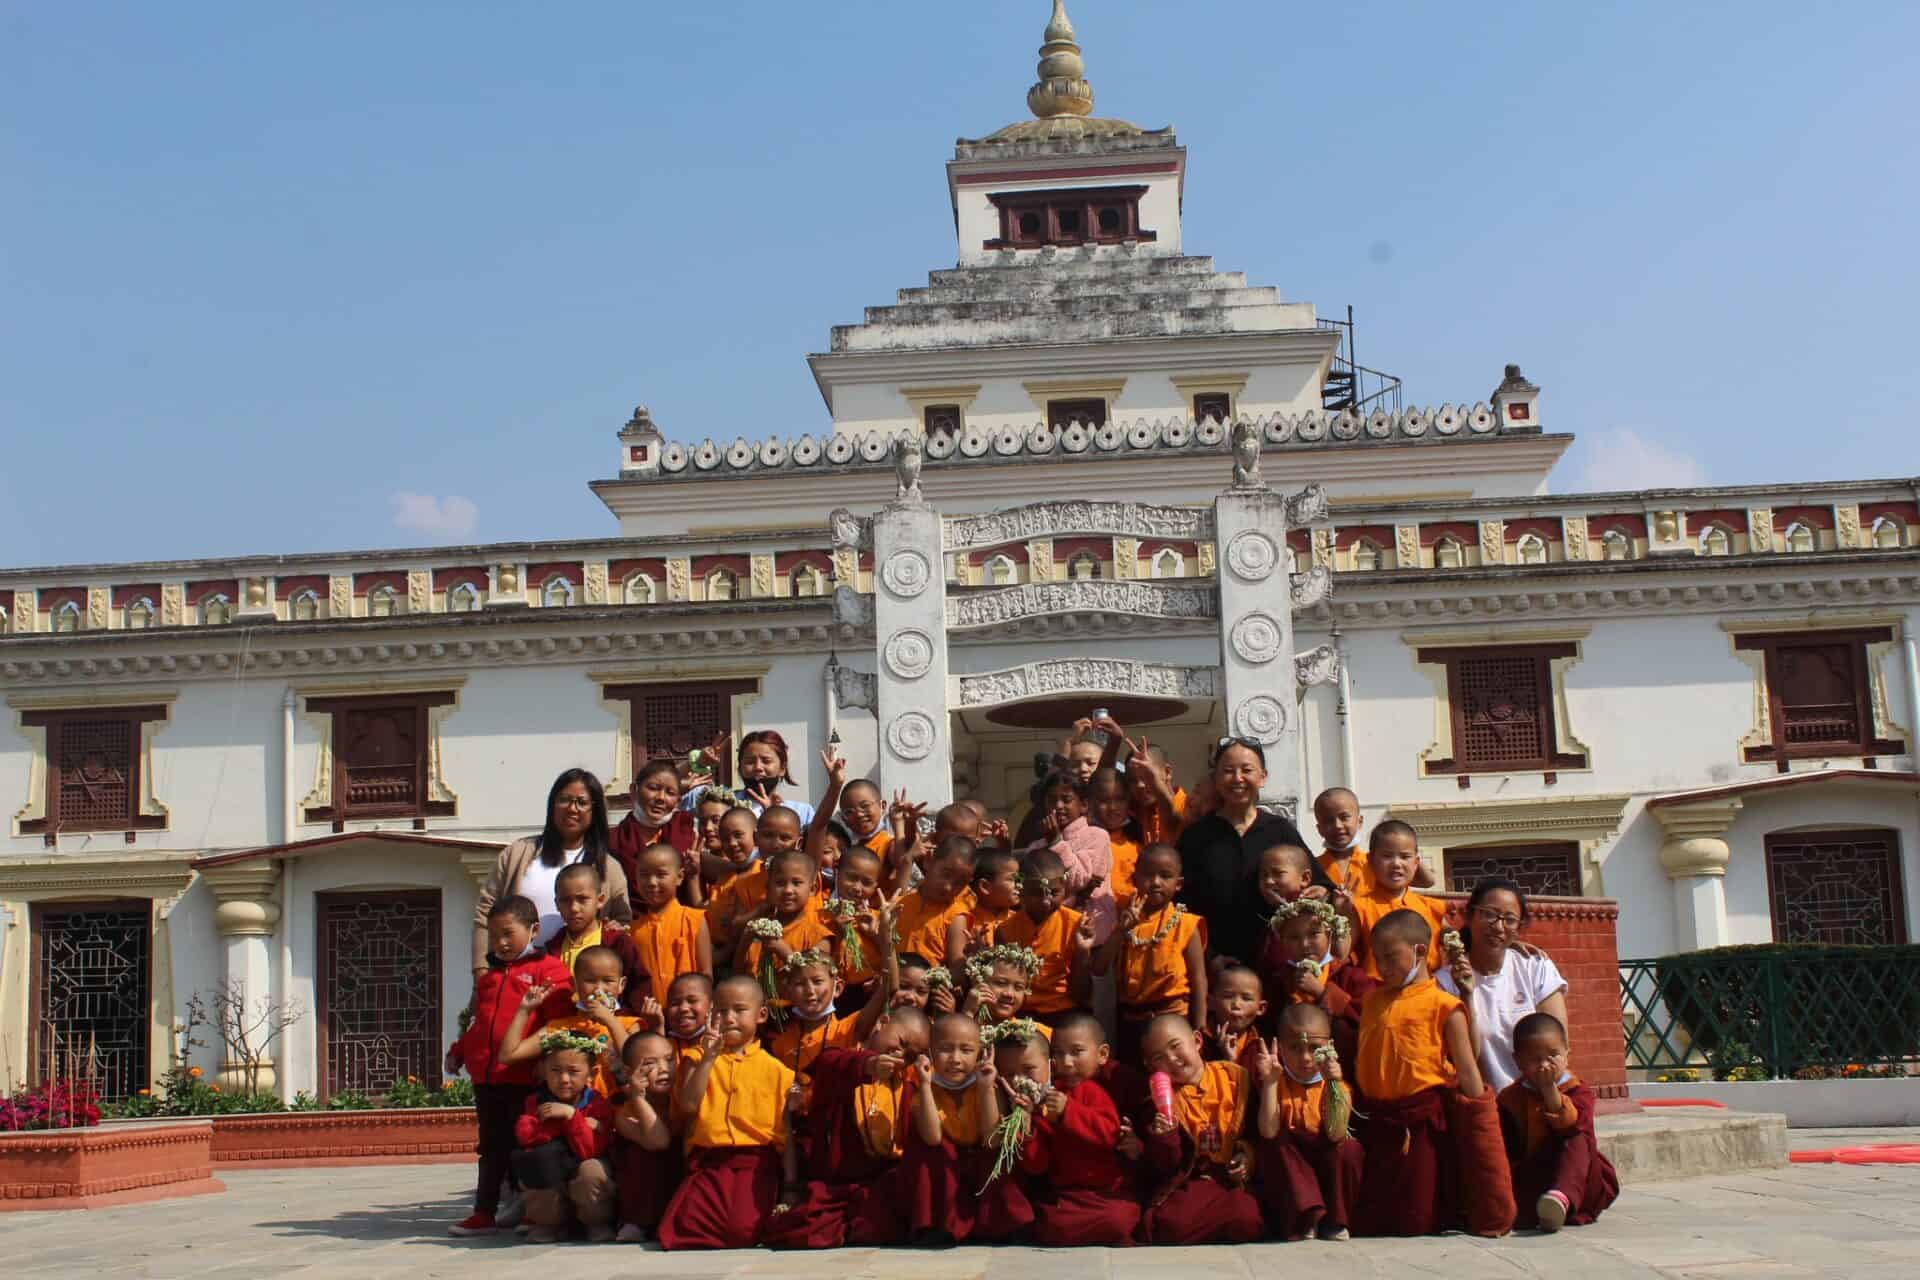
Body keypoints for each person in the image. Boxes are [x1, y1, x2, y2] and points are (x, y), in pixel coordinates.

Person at [1353, 909, 1509, 1238]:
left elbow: (1468, 1069)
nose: (1382, 968)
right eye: (1377, 958)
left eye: (1391, 957)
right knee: (1375, 1219)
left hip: (1421, 1121)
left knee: (1417, 1218)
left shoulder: (1443, 1004)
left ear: (1420, 951)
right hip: (1377, 1120)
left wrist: (1478, 1120)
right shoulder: (1371, 1001)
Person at [445, 895, 574, 1237]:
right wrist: (459, 1050)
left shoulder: (549, 972)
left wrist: (543, 1063)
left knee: (527, 1144)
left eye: (508, 934)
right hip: (487, 1080)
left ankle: (534, 1212)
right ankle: (484, 1213)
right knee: (490, 1148)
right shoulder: (489, 977)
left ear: (533, 930)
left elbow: (559, 1025)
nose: (500, 943)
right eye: (494, 935)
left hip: (524, 1078)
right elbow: (479, 1023)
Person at [763, 1006, 933, 1248]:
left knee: (889, 1218)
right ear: (883, 1022)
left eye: (909, 1054)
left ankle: (851, 1227)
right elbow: (827, 1064)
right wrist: (870, 1065)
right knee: (803, 1231)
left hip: (875, 1185)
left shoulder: (904, 1089)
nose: (900, 1053)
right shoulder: (843, 1059)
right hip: (834, 1186)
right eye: (901, 1041)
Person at [657, 975, 798, 1250]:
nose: (729, 1018)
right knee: (683, 1228)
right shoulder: (697, 1058)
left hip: (755, 1164)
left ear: (761, 1015)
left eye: (739, 1010)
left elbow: (787, 1135)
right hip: (710, 1162)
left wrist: (790, 1186)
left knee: (742, 1232)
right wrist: (709, 1058)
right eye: (721, 1011)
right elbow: (687, 1105)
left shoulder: (777, 1070)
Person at [471, 768, 632, 977]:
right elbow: (486, 911)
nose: (572, 809)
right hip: (514, 977)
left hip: (582, 984)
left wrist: (614, 927)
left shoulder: (609, 868)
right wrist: (481, 968)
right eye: (564, 800)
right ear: (552, 805)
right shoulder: (518, 854)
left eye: (582, 802)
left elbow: (624, 921)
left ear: (595, 811)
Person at [1174, 739, 1315, 968]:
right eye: (1228, 771)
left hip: (1277, 967)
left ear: (1263, 777)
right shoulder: (1196, 836)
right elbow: (1178, 906)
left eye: (1247, 770)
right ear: (1216, 778)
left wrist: (1320, 894)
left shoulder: (1279, 830)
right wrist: (1208, 956)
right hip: (1216, 969)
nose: (1238, 778)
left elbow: (1315, 884)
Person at [902, 1012, 1034, 1245]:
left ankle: (1004, 1224)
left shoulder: (988, 1084)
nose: (955, 1058)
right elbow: (932, 1138)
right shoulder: (925, 1088)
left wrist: (984, 1088)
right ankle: (938, 1226)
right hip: (946, 1166)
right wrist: (923, 1085)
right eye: (945, 1049)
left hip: (980, 1157)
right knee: (937, 1152)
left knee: (998, 1155)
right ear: (930, 1052)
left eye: (966, 1050)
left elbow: (992, 1140)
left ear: (981, 1053)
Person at [1136, 1013, 1263, 1245]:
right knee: (1169, 1224)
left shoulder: (1235, 1078)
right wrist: (1165, 1136)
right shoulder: (1156, 1102)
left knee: (1247, 1218)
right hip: (1191, 1184)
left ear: (1197, 1041)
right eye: (1159, 1058)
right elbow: (1164, 1166)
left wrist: (1247, 1155)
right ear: (1149, 1067)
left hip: (1230, 1182)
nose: (1172, 1059)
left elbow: (1257, 1131)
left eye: (1176, 1046)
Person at [1439, 877, 1570, 1093]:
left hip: (1540, 1099)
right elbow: (1465, 1059)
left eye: (1509, 919)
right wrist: (1467, 995)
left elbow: (1557, 1046)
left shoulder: (1535, 967)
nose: (1498, 927)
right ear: (1470, 916)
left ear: (1518, 927)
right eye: (1489, 915)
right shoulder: (1445, 982)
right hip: (1485, 1105)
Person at [1022, 1012, 1142, 1246]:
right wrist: (1028, 1127)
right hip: (1068, 1195)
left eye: (1076, 1052)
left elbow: (1109, 1134)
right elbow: (1038, 1164)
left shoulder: (1095, 1092)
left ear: (1102, 1054)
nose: (1066, 1062)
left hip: (1107, 1193)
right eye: (1057, 1053)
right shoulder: (1049, 1095)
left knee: (1118, 1220)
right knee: (1049, 1223)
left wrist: (1069, 1112)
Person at [1498, 1012, 1619, 1231]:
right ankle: (1545, 1209)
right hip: (1535, 1178)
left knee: (1577, 1137)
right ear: (1518, 1061)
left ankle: (1562, 1198)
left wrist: (1548, 1089)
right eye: (1535, 1059)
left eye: (1553, 1055)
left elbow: (1569, 1123)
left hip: (1579, 1179)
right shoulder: (1509, 1099)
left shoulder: (1578, 1091)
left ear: (1567, 1054)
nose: (1545, 1065)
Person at [1252, 1003, 1362, 1242]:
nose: (1305, 1058)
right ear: (1279, 1048)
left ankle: (1335, 1221)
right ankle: (1306, 1220)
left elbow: (1336, 1134)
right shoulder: (1276, 1080)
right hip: (1293, 1171)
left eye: (1314, 1048)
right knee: (1277, 1145)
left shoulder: (1337, 1085)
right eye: (1294, 1048)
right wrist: (1270, 1083)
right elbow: (1268, 1131)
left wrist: (1334, 1084)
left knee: (1349, 1149)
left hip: (1326, 1161)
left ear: (1330, 1047)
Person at [1095, 843, 1206, 1066]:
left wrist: (1200, 1025)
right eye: (1147, 875)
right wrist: (1121, 931)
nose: (1155, 882)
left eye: (1165, 876)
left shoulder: (1185, 924)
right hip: (1131, 1021)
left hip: (1173, 1016)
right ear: (1134, 879)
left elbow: (1198, 979)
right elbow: (1099, 967)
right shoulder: (1121, 918)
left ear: (1178, 884)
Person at [511, 1029, 617, 1243]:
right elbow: (526, 1136)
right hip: (554, 1173)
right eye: (556, 1071)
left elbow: (589, 1150)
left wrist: (571, 1116)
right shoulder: (536, 1102)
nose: (564, 1079)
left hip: (582, 1169)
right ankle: (546, 1224)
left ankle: (596, 1222)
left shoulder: (597, 1104)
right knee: (537, 1161)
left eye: (573, 1071)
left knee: (592, 1170)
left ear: (592, 1073)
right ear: (543, 1071)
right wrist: (563, 1122)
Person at [497, 946, 641, 1097]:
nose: (599, 989)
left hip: (614, 1110)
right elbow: (508, 1056)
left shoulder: (629, 1024)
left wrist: (610, 1021)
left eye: (608, 981)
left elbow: (635, 1062)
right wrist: (524, 1011)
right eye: (590, 981)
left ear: (621, 985)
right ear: (574, 984)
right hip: (572, 1110)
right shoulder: (561, 1028)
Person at [1261, 899, 1374, 1080]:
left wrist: (1322, 992)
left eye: (1314, 934)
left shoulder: (1350, 976)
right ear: (1282, 942)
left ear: (1329, 935)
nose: (1305, 944)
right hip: (1287, 1080)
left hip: (1342, 1074)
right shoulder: (1278, 980)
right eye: (1294, 937)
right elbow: (1268, 1029)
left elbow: (1369, 1019)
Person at [997, 848, 1094, 1026]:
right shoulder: (1005, 930)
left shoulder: (1076, 925)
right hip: (1020, 1012)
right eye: (1036, 893)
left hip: (1063, 1011)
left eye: (1054, 892)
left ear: (1065, 888)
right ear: (1021, 889)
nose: (1046, 901)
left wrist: (1082, 951)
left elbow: (1082, 995)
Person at [1343, 821, 1449, 981]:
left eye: (1405, 856)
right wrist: (1342, 914)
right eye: (1387, 856)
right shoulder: (1360, 907)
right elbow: (1341, 953)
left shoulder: (1433, 907)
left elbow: (1453, 943)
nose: (1396, 864)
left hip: (1427, 994)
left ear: (1416, 863)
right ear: (1370, 861)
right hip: (1379, 994)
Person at [541, 863, 648, 1014]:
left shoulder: (617, 942)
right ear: (557, 904)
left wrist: (623, 1021)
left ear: (600, 900)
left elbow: (639, 987)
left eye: (582, 899)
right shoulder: (552, 947)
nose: (574, 908)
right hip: (564, 1029)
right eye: (565, 900)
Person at [624, 842, 712, 1012]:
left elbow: (706, 973)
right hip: (650, 1015)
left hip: (688, 1013)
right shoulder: (633, 930)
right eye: (644, 875)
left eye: (661, 874)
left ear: (679, 877)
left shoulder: (694, 919)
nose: (651, 882)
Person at [1032, 771, 1117, 945]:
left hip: (1093, 936)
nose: (1058, 805)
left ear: (1084, 805)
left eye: (1066, 799)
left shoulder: (1097, 836)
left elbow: (1078, 880)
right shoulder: (1037, 847)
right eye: (1051, 800)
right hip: (1052, 937)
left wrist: (1056, 842)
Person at [608, 1031, 677, 1244]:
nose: (664, 1069)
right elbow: (659, 1142)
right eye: (650, 1063)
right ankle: (635, 1222)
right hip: (644, 1194)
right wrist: (638, 1098)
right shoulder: (625, 1113)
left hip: (678, 1183)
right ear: (630, 1073)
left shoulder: (683, 1096)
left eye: (669, 1059)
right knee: (642, 1155)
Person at [608, 758, 698, 893]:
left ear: (678, 801)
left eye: (670, 793)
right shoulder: (613, 840)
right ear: (634, 790)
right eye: (653, 788)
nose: (661, 798)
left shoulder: (687, 833)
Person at [893, 837, 977, 967]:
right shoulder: (903, 901)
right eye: (946, 874)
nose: (948, 887)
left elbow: (957, 967)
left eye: (960, 883)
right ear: (928, 861)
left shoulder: (956, 917)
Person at [945, 846, 1021, 963]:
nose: (1019, 885)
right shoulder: (965, 921)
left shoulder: (1018, 919)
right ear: (985, 886)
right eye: (1012, 879)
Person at [1201, 964, 1268, 1075]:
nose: (1236, 1005)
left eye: (1246, 999)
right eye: (1228, 996)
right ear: (1210, 1002)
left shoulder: (1263, 1046)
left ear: (1260, 1008)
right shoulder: (1199, 1043)